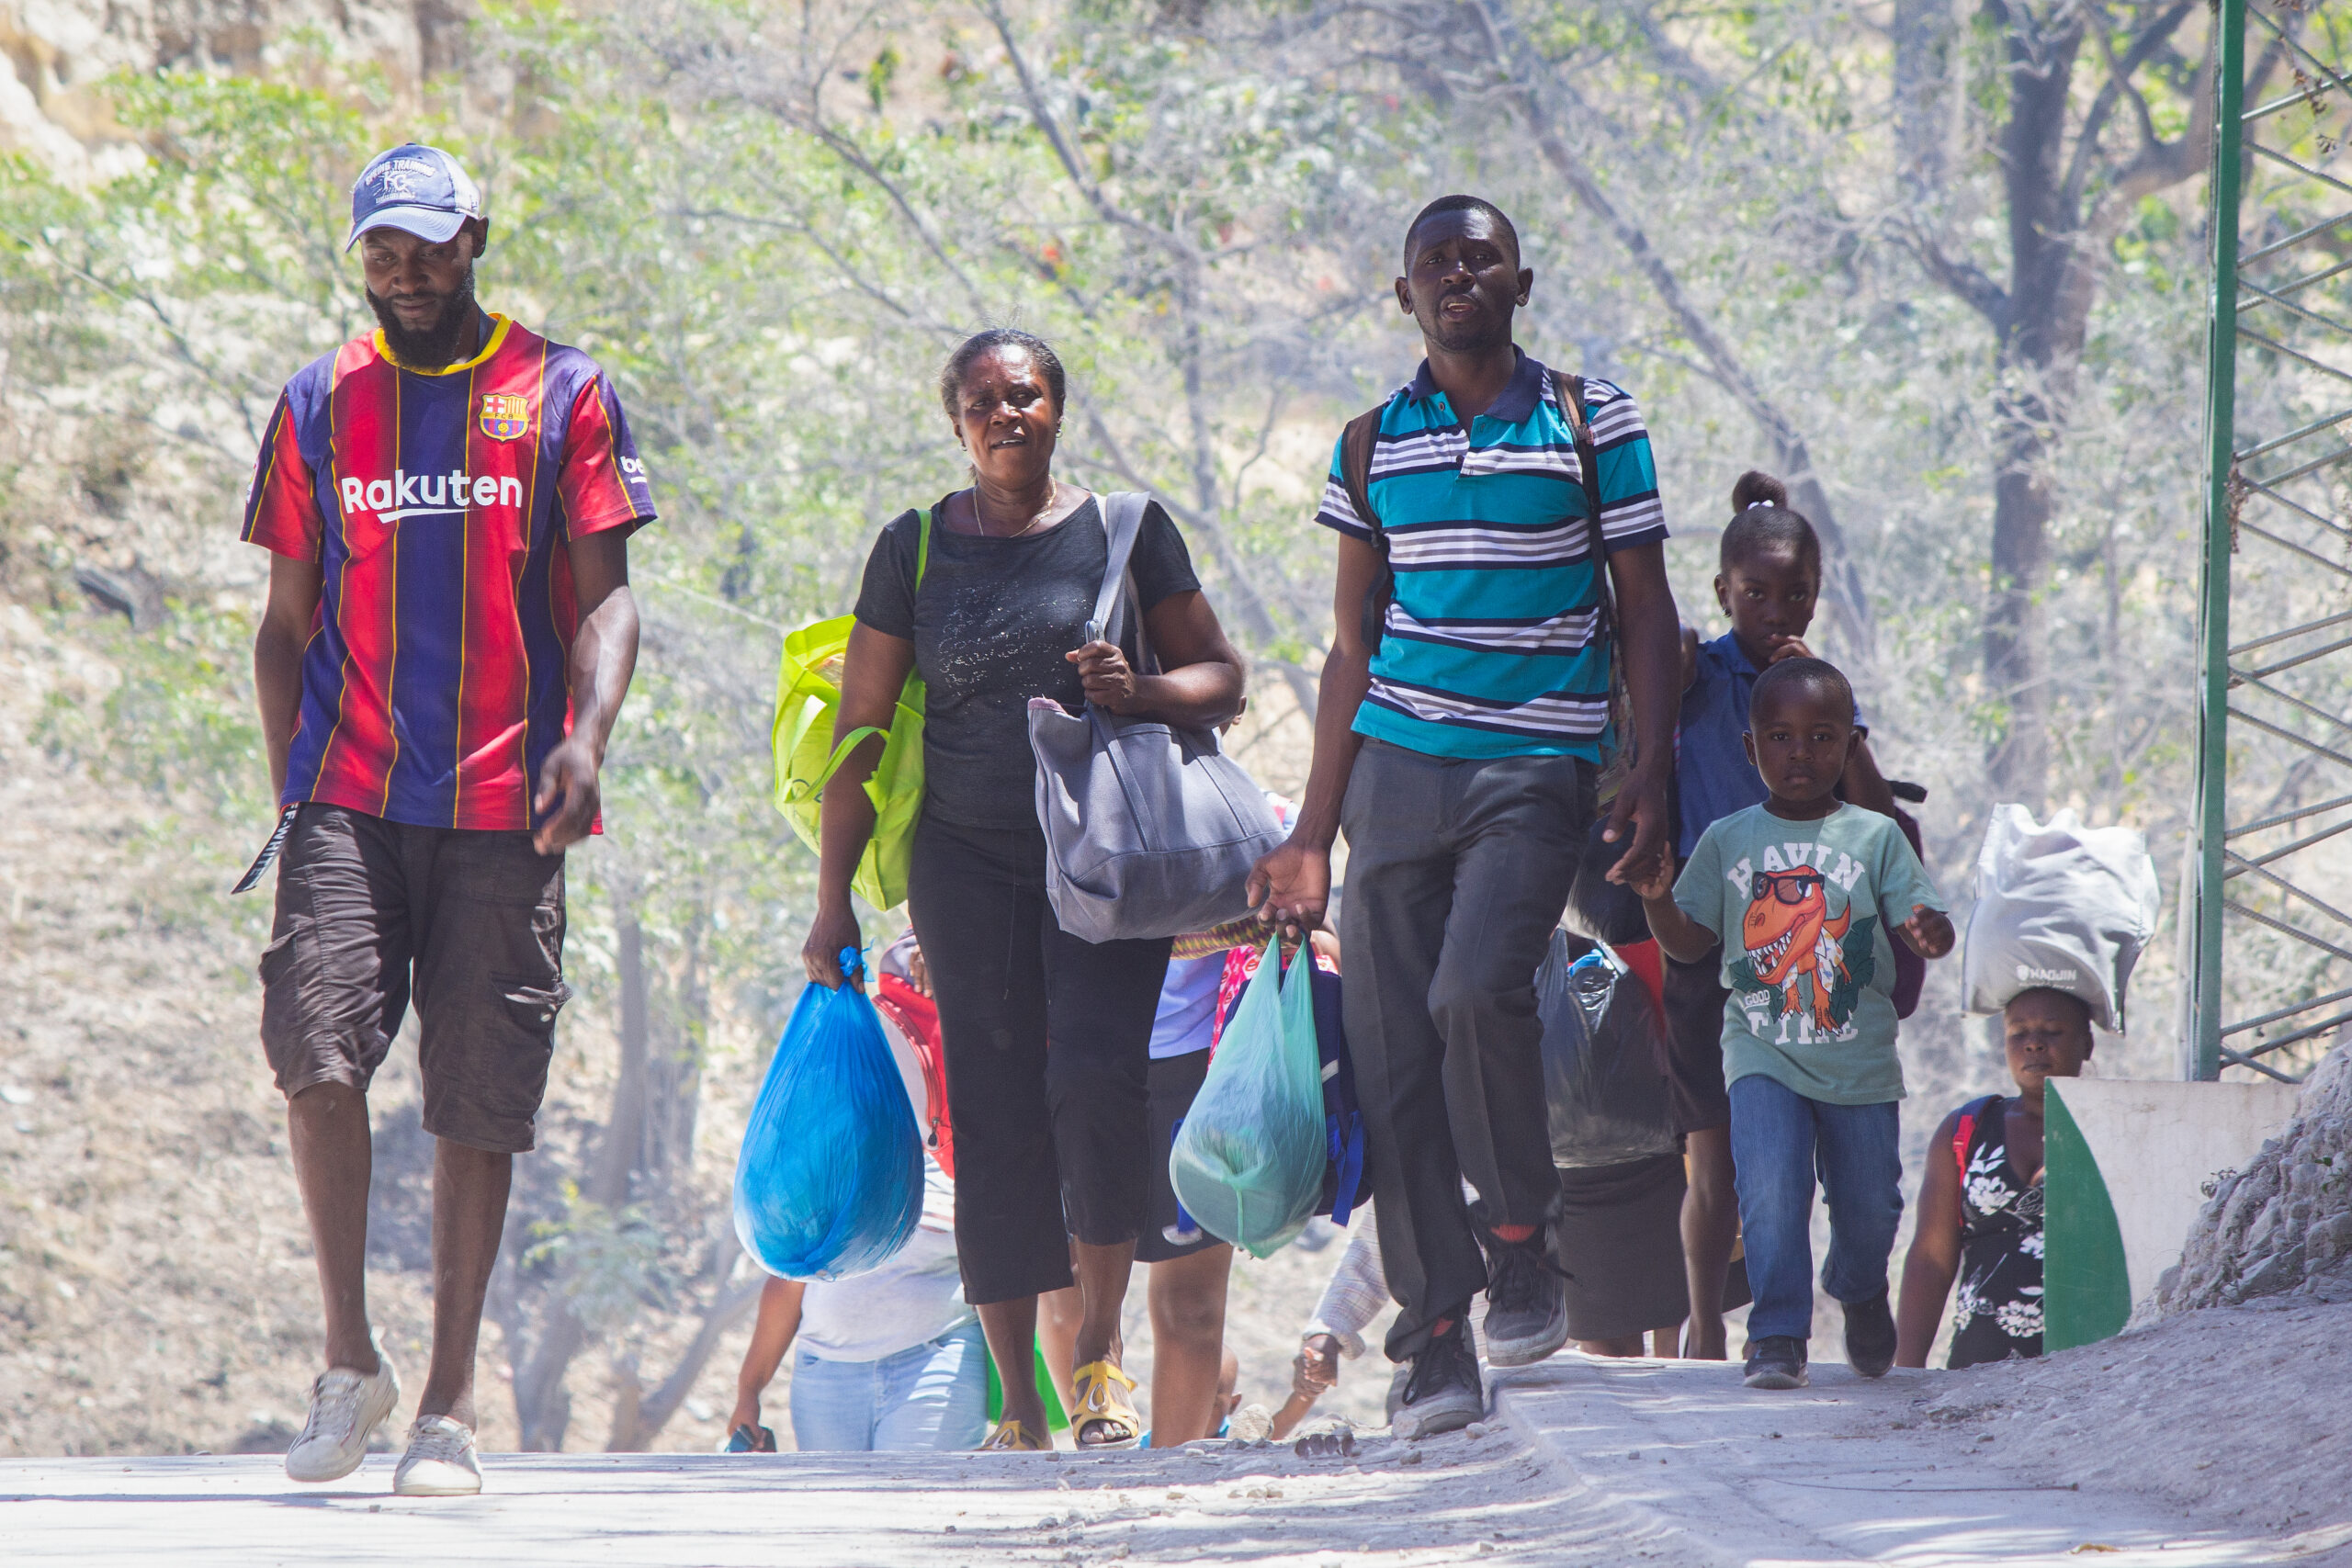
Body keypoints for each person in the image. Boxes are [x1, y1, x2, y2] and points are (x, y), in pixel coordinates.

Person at [242, 143, 653, 1496]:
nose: (402, 270)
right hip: (348, 792)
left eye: (424, 243)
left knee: (478, 1092)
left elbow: (606, 598)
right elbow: (285, 625)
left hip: (506, 801)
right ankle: (349, 1362)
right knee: (317, 1048)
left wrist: (584, 743)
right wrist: (290, 784)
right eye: (379, 248)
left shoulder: (564, 388)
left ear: (476, 235)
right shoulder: (317, 402)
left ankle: (452, 1404)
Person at [1250, 194, 1681, 1439]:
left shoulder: (1595, 420)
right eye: (1435, 262)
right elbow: (1350, 646)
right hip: (1396, 770)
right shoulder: (1372, 441)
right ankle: (1435, 1333)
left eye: (1481, 256)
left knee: (1472, 993)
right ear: (1404, 295)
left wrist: (1644, 765)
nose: (1459, 275)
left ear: (1520, 279)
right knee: (1388, 1060)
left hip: (1538, 765)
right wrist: (1311, 834)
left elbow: (1644, 608)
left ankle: (1519, 1236)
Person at [803, 328, 1246, 1451]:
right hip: (965, 859)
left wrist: (1139, 690)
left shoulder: (1124, 533)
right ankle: (1015, 1403)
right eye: (987, 400)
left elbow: (1222, 680)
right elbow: (859, 736)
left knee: (1099, 1083)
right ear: (956, 421)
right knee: (994, 1115)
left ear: (1058, 410)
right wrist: (832, 902)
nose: (1010, 414)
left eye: (1030, 395)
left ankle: (1095, 1358)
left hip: (1096, 856)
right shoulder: (911, 550)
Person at [1632, 657, 1953, 1391]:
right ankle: (1776, 1331)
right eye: (1779, 736)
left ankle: (1860, 1285)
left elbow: (1917, 915)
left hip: (1859, 1060)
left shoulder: (1876, 837)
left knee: (1870, 1202)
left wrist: (1929, 931)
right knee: (1771, 1188)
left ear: (1849, 746)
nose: (1799, 753)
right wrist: (1656, 901)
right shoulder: (1727, 838)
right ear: (1751, 749)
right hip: (1762, 1051)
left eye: (1820, 737)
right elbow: (1690, 941)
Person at [1662, 471, 1901, 1360]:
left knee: (1841, 1168)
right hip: (1708, 942)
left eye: (1791, 593)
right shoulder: (1692, 676)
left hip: (1816, 952)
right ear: (1722, 593)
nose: (1772, 608)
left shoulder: (1820, 692)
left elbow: (1878, 819)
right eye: (1753, 594)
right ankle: (1723, 1325)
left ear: (1815, 593)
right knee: (1723, 1157)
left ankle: (1850, 1286)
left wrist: (1832, 711)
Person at [722, 1159, 983, 1452]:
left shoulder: (959, 1156)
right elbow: (787, 1283)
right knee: (836, 1497)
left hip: (934, 1358)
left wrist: (1019, 1401)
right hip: (825, 1376)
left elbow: (1000, 1273)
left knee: (916, 1494)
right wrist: (749, 1393)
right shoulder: (831, 1157)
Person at [1894, 987, 2093, 1369]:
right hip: (1978, 1367)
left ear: (2087, 1043)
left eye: (2052, 1031)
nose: (2033, 1044)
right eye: (2019, 1033)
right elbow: (1931, 1260)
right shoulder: (1967, 1129)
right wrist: (1906, 1370)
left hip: (2088, 1370)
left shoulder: (2115, 1128)